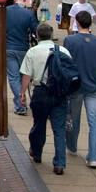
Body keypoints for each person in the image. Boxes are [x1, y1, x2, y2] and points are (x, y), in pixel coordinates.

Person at [63, 11, 96, 168]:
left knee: (73, 118)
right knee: (94, 122)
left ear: (76, 22)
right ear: (90, 23)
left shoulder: (70, 40)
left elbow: (66, 63)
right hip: (93, 87)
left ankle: (72, 146)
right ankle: (93, 157)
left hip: (76, 87)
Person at [22, 23, 72, 175]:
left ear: (37, 35)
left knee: (39, 124)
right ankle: (59, 164)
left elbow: (26, 75)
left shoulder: (33, 51)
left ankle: (37, 152)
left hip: (41, 92)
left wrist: (22, 93)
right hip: (59, 94)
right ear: (51, 35)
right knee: (59, 128)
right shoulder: (63, 50)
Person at [5, 0, 37, 116]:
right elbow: (35, 30)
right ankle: (21, 100)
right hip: (23, 48)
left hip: (8, 47)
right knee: (24, 76)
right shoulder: (28, 13)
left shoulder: (6, 11)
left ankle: (20, 105)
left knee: (13, 78)